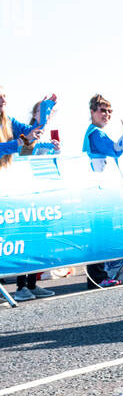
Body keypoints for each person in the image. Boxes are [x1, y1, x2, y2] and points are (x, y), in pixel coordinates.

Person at [83, 93, 123, 289]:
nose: (107, 114)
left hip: (100, 188)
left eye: (110, 111)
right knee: (98, 232)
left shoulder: (95, 132)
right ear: (92, 112)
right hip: (96, 189)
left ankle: (99, 276)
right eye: (102, 110)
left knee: (100, 231)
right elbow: (116, 149)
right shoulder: (95, 133)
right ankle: (97, 277)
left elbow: (116, 149)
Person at [3, 97, 58, 299]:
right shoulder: (14, 126)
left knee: (34, 235)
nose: (3, 100)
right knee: (17, 236)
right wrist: (18, 143)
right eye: (41, 113)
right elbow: (22, 147)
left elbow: (28, 144)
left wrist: (51, 148)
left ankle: (31, 284)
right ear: (33, 113)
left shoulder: (10, 120)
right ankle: (20, 287)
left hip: (29, 187)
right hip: (10, 187)